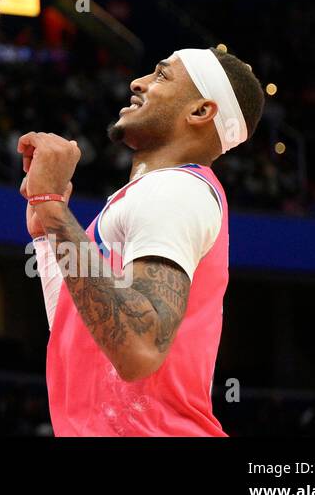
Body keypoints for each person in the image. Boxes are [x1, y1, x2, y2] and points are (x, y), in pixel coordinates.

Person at [22, 47, 264, 436]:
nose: (138, 82)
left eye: (161, 76)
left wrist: (53, 209)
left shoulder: (176, 190)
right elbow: (85, 330)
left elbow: (139, 349)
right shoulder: (154, 194)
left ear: (201, 112)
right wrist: (48, 232)